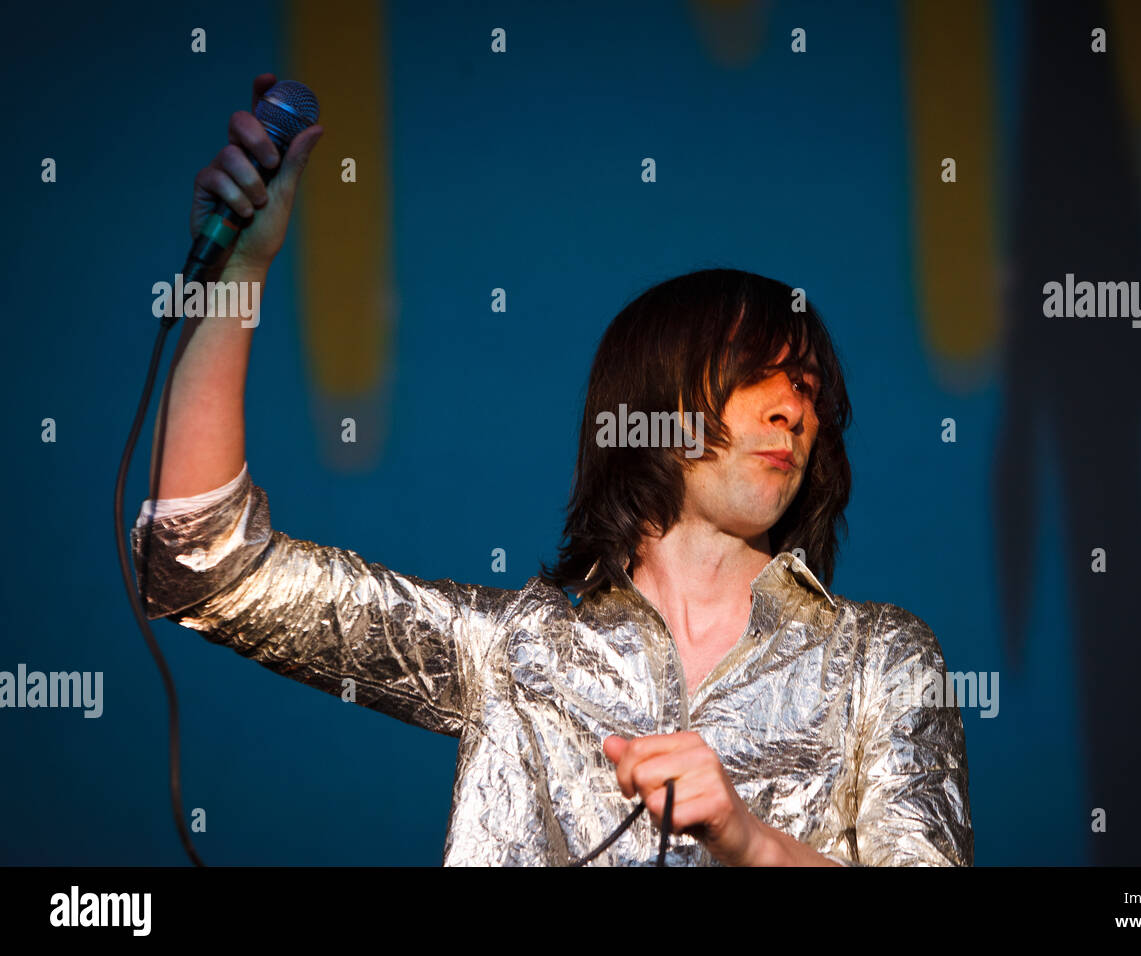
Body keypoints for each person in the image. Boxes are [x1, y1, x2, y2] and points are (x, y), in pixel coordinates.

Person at [132, 73, 974, 867]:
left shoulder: (882, 659)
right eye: (756, 372)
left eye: (808, 386)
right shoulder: (515, 653)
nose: (793, 407)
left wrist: (749, 841)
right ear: (654, 400)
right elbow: (206, 566)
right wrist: (237, 275)